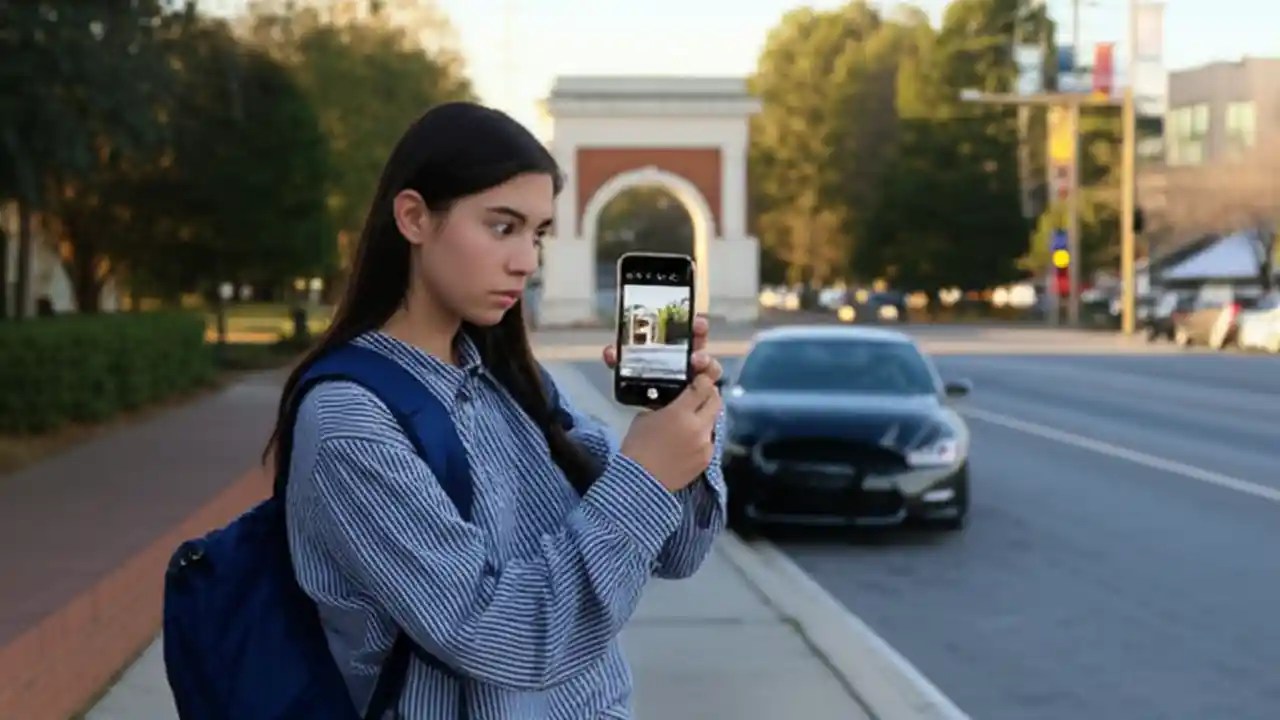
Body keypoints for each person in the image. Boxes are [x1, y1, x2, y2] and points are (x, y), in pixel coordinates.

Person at [262, 101, 727, 719]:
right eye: (502, 227)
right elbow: (509, 638)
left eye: (537, 234)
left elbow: (676, 552)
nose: (527, 261)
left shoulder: (513, 385)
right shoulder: (351, 424)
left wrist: (686, 432)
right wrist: (643, 474)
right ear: (414, 217)